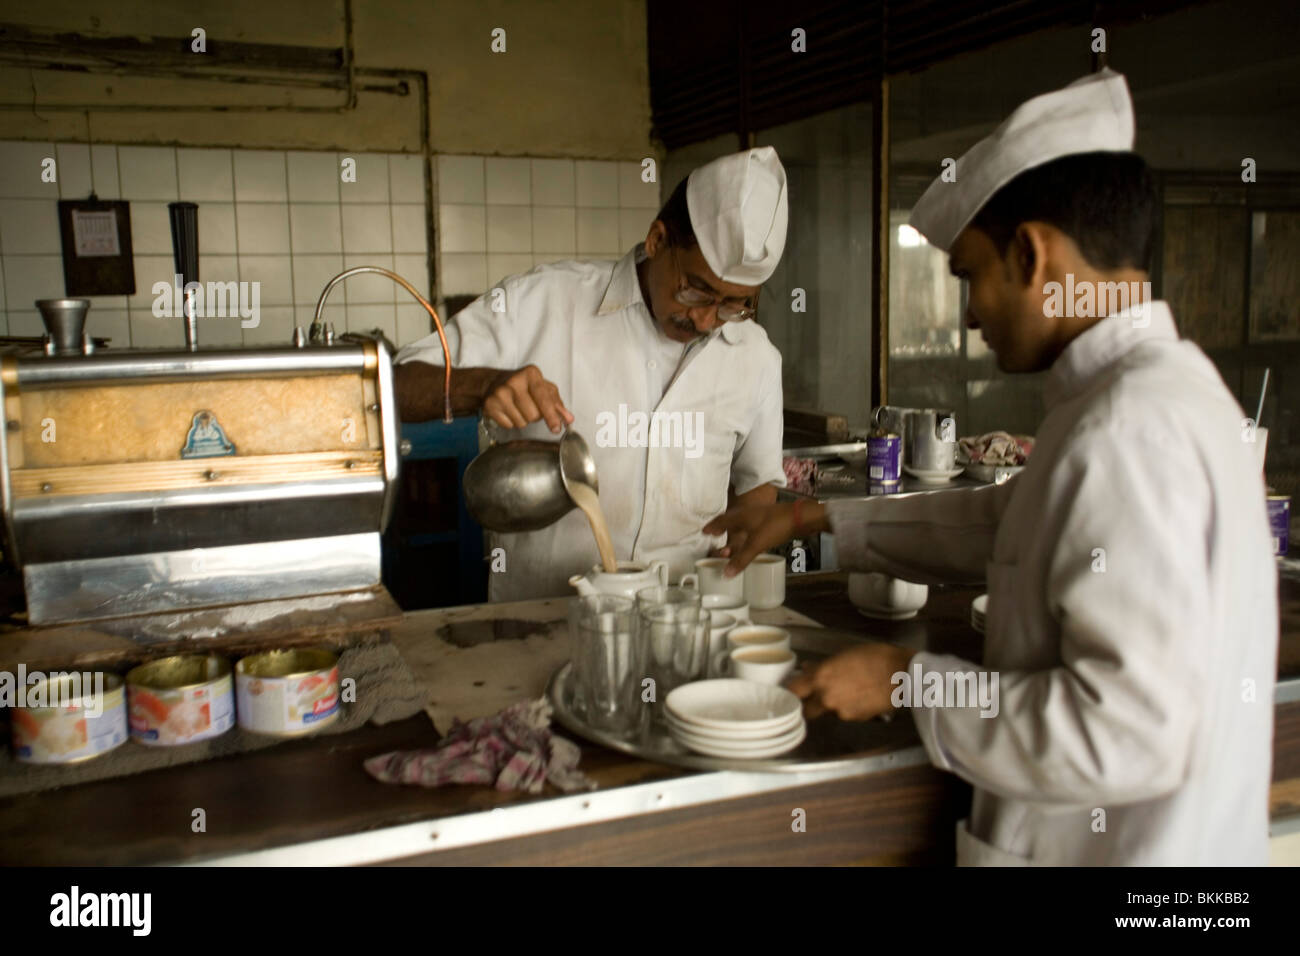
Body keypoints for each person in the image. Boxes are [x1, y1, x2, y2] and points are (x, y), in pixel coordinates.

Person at [705, 69, 1278, 865]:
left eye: (970, 274)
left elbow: (1129, 731)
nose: (969, 315)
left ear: (1031, 252)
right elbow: (1006, 526)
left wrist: (912, 681)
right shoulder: (1154, 395)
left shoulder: (1132, 427)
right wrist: (812, 515)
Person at [395, 148, 790, 601]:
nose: (705, 321)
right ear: (658, 240)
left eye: (733, 304)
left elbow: (757, 485)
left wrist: (745, 537)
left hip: (683, 626)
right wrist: (480, 385)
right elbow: (395, 387)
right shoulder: (541, 304)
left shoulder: (755, 356)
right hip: (538, 626)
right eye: (695, 290)